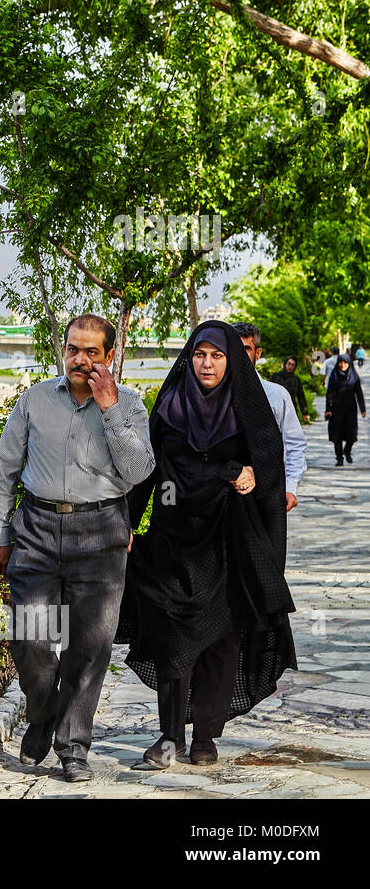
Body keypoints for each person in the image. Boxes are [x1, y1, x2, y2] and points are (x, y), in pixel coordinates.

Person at [117, 321, 296, 769]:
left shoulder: (248, 404)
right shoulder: (171, 404)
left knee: (222, 637)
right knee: (169, 633)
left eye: (217, 356)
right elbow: (147, 470)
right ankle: (168, 736)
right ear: (190, 356)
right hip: (172, 537)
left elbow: (270, 461)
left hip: (228, 539)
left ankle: (204, 736)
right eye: (201, 354)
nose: (208, 363)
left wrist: (252, 474)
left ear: (232, 359)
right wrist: (126, 524)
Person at [0, 313, 155, 782]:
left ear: (109, 356)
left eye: (92, 352)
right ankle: (42, 714)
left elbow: (140, 471)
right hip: (37, 530)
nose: (81, 360)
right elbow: (3, 471)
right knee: (31, 642)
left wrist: (110, 409)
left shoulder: (131, 406)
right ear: (63, 351)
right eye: (73, 350)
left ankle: (73, 745)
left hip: (102, 534)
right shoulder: (34, 401)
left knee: (91, 646)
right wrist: (0, 534)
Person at [232, 323, 306, 511]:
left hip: (267, 494)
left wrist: (290, 488)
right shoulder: (212, 397)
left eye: (246, 349)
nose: (239, 355)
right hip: (224, 495)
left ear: (258, 353)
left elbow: (295, 443)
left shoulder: (276, 396)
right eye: (234, 348)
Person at [325, 354, 366, 465]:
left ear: (349, 364)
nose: (342, 365)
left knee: (351, 435)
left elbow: (359, 394)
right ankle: (339, 458)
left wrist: (362, 408)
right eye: (340, 362)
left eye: (345, 363)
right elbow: (329, 394)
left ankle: (347, 451)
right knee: (337, 434)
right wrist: (327, 409)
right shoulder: (334, 376)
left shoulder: (355, 377)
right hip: (336, 409)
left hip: (350, 409)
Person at [270, 356, 311, 425]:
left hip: (291, 410)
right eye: (289, 364)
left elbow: (301, 397)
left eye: (293, 365)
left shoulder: (296, 380)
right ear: (285, 364)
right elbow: (269, 393)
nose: (290, 366)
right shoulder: (275, 376)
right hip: (277, 410)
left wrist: (305, 413)